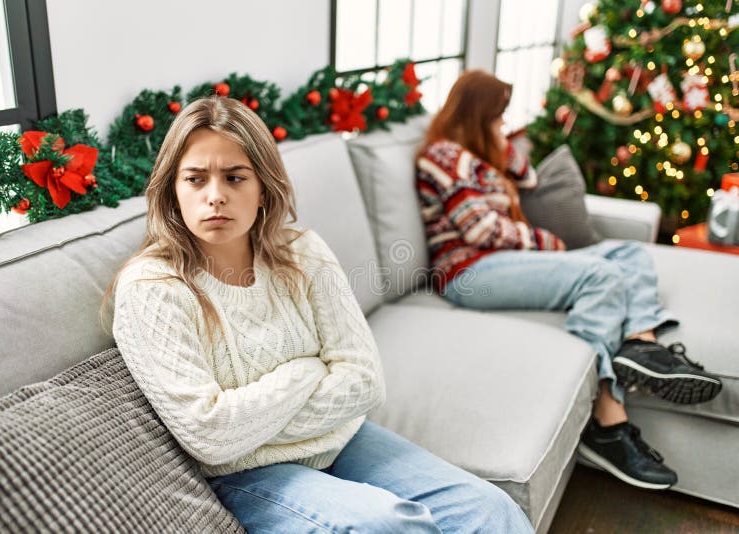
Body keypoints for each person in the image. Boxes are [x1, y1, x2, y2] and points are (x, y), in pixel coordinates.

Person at [106, 96, 534, 533]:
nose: (215, 196)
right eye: (195, 179)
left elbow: (365, 380)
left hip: (342, 440)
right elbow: (212, 436)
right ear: (173, 191)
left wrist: (250, 421)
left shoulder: (302, 251)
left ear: (263, 187)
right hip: (248, 475)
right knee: (385, 526)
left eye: (235, 178)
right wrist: (307, 372)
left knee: (488, 508)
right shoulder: (153, 288)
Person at [415, 70, 723, 491]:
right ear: (477, 113)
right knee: (602, 275)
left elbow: (529, 179)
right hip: (469, 273)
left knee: (628, 253)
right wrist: (547, 241)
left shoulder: (479, 153)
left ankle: (643, 346)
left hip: (502, 261)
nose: (504, 125)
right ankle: (607, 421)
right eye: (498, 116)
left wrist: (500, 146)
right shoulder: (444, 155)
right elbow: (480, 230)